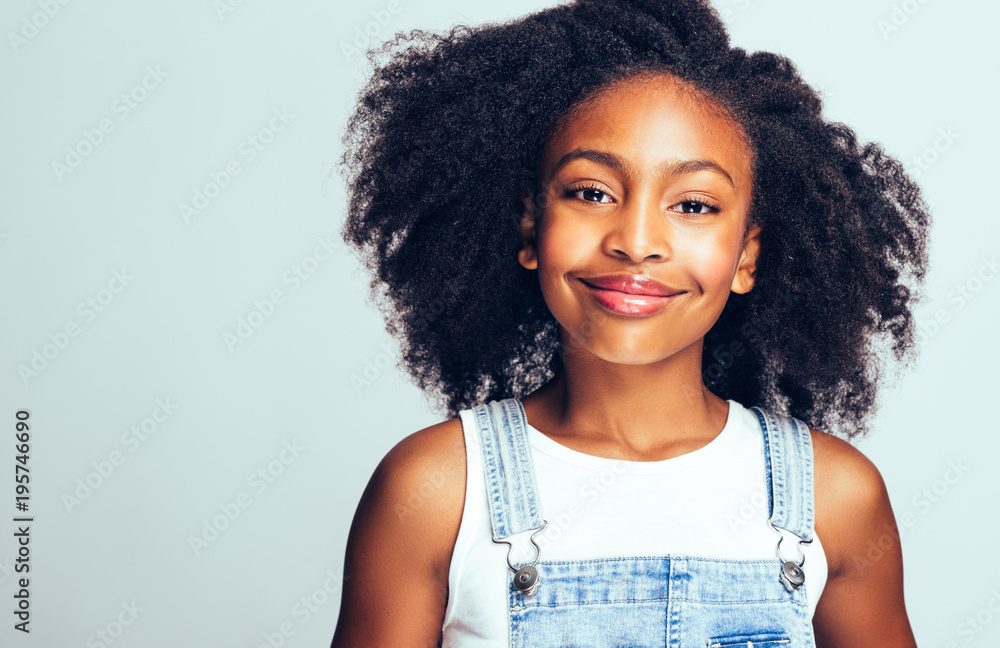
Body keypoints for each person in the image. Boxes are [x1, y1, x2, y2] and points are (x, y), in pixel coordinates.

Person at [331, 0, 929, 645]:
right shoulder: (435, 491)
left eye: (694, 204)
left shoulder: (835, 498)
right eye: (591, 193)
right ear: (530, 228)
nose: (637, 241)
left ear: (747, 257)